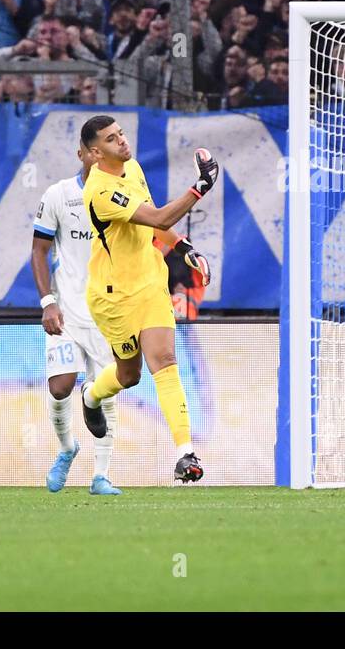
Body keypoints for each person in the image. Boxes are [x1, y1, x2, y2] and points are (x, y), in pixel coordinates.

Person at [77, 116, 217, 483]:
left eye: (121, 134)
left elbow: (155, 225)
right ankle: (91, 395)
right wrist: (200, 187)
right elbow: (157, 214)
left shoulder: (132, 168)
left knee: (166, 361)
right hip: (114, 297)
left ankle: (185, 454)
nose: (122, 142)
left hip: (151, 282)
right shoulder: (100, 191)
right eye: (111, 140)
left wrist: (183, 247)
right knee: (130, 374)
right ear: (95, 153)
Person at [30, 145, 121, 496]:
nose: (101, 157)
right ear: (82, 152)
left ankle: (101, 476)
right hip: (66, 311)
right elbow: (39, 250)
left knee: (106, 392)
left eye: (110, 147)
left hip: (109, 311)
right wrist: (47, 302)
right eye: (95, 150)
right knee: (60, 387)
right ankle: (67, 448)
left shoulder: (125, 194)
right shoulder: (58, 195)